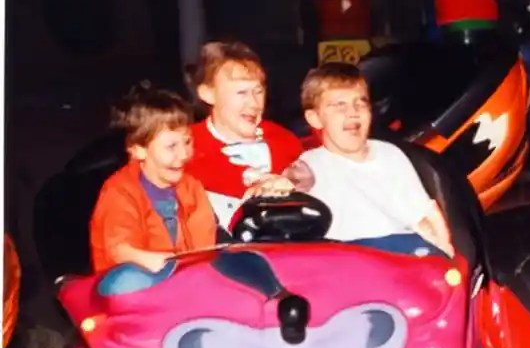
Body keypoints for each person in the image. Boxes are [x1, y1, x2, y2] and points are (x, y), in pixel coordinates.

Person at [282, 63, 454, 256]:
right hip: (348, 258)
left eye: (360, 103)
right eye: (340, 105)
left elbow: (424, 217)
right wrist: (280, 183)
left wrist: (445, 254)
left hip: (402, 252)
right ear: (315, 118)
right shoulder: (311, 164)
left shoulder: (391, 155)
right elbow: (291, 181)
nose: (353, 112)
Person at [89, 84, 219, 273]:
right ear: (138, 150)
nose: (184, 154)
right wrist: (165, 263)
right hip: (135, 289)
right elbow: (120, 250)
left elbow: (204, 248)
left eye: (187, 141)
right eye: (171, 146)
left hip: (184, 282)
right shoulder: (120, 191)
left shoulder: (192, 188)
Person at [187, 41, 303, 228]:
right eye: (241, 92)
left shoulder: (286, 141)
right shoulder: (185, 145)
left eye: (258, 92)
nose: (254, 104)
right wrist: (260, 183)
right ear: (208, 94)